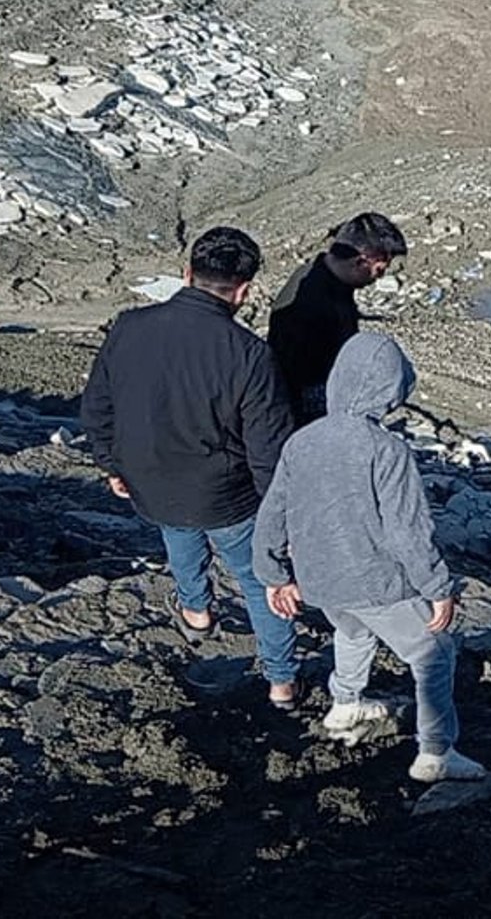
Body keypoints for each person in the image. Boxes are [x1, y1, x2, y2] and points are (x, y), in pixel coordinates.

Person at [79, 226, 300, 709]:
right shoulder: (250, 355)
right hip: (225, 496)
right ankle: (281, 681)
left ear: (187, 274)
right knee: (260, 580)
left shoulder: (129, 327)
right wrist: (282, 520)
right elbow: (268, 451)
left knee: (178, 532)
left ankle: (196, 611)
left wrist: (112, 463)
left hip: (149, 483)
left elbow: (97, 407)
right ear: (244, 290)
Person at [252, 332, 486, 783]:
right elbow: (407, 530)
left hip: (319, 580)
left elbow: (273, 513)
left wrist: (273, 575)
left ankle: (345, 705)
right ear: (392, 390)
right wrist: (438, 587)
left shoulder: (302, 441)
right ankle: (436, 754)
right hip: (375, 581)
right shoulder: (386, 449)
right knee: (434, 654)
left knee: (354, 631)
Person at [268, 213, 409, 425]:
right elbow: (298, 377)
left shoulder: (325, 280)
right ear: (360, 261)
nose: (377, 278)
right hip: (307, 413)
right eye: (379, 271)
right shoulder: (312, 303)